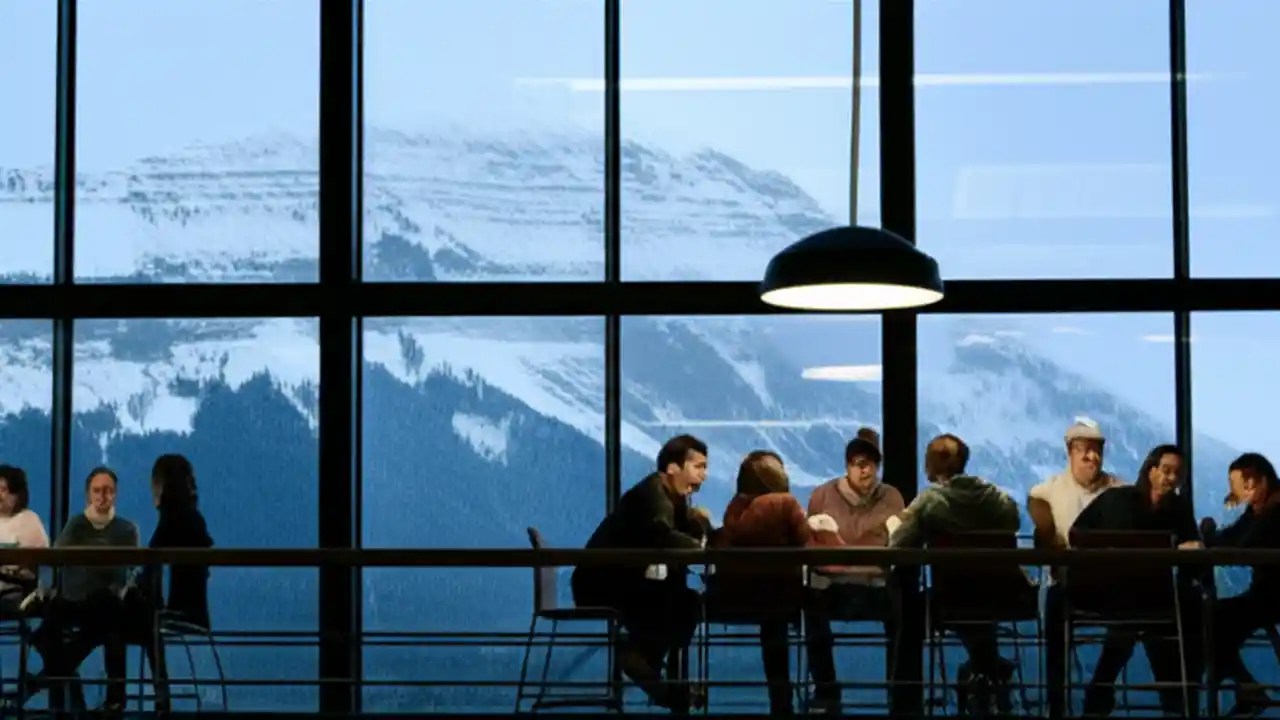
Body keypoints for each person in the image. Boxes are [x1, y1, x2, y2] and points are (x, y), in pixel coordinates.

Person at [571, 435, 711, 713]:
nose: (704, 475)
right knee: (683, 603)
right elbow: (664, 535)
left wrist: (699, 526)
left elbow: (681, 531)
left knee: (684, 602)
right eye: (698, 466)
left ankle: (652, 672)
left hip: (620, 582)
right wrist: (702, 547)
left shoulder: (670, 497)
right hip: (605, 586)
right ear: (673, 468)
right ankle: (653, 673)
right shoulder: (654, 497)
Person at [891, 433, 1025, 714]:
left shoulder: (932, 501)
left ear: (932, 463)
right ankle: (987, 673)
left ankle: (905, 700)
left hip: (951, 597)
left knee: (908, 611)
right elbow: (1013, 520)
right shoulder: (997, 499)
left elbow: (899, 542)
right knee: (979, 609)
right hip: (1002, 596)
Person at [1069, 444, 1199, 716]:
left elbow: (1192, 544)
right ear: (1150, 470)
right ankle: (1173, 705)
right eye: (1166, 471)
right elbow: (1078, 534)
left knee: (1132, 629)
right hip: (1122, 593)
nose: (1172, 478)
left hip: (1148, 597)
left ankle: (1099, 695)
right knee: (1153, 635)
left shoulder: (1178, 508)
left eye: (1178, 474)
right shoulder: (1117, 500)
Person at [1027, 418, 1126, 715]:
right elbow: (1036, 506)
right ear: (1069, 452)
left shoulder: (1121, 491)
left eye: (1096, 450)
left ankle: (1101, 685)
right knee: (1055, 610)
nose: (1091, 456)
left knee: (1131, 620)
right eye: (1083, 449)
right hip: (1069, 584)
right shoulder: (1048, 490)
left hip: (1114, 584)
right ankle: (1057, 703)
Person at [803, 430, 904, 713]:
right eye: (859, 463)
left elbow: (900, 542)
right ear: (847, 466)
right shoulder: (822, 496)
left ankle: (899, 692)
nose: (866, 469)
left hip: (877, 588)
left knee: (904, 607)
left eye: (871, 463)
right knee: (811, 605)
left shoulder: (892, 497)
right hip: (832, 588)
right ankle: (826, 690)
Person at [25, 467, 141, 713]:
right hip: (75, 601)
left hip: (107, 601)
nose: (102, 496)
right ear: (89, 493)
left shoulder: (126, 529)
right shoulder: (76, 524)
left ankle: (45, 680)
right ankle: (105, 699)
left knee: (109, 613)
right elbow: (56, 558)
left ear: (116, 494)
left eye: (108, 490)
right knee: (98, 624)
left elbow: (132, 569)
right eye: (97, 490)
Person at [710, 450, 807, 716]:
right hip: (779, 595)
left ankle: (679, 694)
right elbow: (805, 540)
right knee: (778, 632)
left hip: (733, 596)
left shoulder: (735, 507)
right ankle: (783, 701)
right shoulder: (786, 503)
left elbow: (728, 538)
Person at [1201, 452, 1280, 715]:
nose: (1239, 492)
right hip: (1265, 596)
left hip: (1271, 598)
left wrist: (1209, 538)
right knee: (1216, 623)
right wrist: (1212, 538)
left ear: (1260, 482)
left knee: (1214, 620)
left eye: (1242, 485)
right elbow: (1235, 537)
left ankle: (1246, 687)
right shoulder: (1259, 510)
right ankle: (1246, 687)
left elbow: (1244, 542)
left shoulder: (1273, 512)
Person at [0, 465, 50, 615]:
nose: (0, 495)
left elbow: (40, 560)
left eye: (4, 490)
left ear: (19, 494)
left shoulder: (29, 520)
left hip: (15, 590)